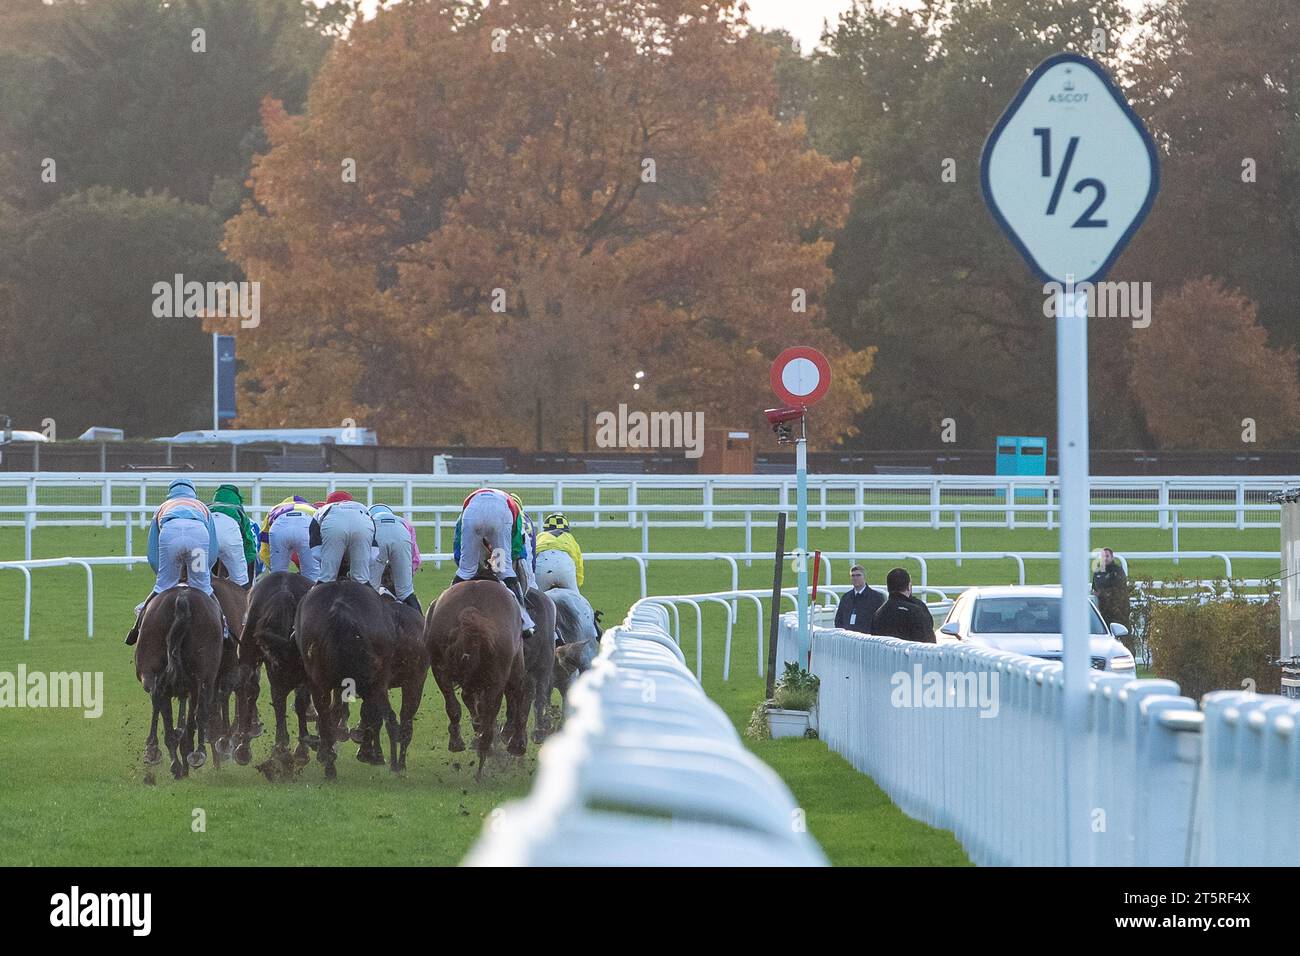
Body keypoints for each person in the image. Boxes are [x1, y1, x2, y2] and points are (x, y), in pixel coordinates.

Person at [124, 477, 222, 646]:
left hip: (170, 534)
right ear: (193, 493)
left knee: (162, 587)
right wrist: (204, 571)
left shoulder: (162, 507)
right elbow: (213, 547)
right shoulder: (202, 507)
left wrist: (163, 574)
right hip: (198, 535)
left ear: (170, 493)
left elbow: (152, 551)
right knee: (204, 588)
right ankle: (224, 626)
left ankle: (137, 626)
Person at [452, 487, 535, 638]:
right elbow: (517, 548)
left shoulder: (465, 511)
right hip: (501, 514)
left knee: (466, 571)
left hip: (471, 514)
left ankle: (446, 613)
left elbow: (458, 547)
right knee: (504, 571)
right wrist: (500, 565)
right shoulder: (514, 508)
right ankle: (525, 621)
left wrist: (466, 566)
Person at [369, 502, 421, 613]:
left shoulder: (367, 520)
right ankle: (423, 625)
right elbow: (415, 559)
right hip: (401, 534)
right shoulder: (404, 523)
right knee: (406, 592)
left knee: (369, 591)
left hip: (377, 533)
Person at [315, 490, 375, 584]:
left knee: (326, 578)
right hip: (362, 524)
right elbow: (373, 549)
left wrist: (327, 559)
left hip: (334, 526)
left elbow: (315, 546)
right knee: (362, 579)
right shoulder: (362, 507)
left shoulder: (324, 509)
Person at [259, 495, 321, 580]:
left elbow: (264, 540)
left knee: (278, 577)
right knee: (312, 575)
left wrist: (272, 566)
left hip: (279, 528)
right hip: (306, 527)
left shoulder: (275, 508)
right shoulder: (313, 508)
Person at [209, 483, 257, 589]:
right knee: (241, 582)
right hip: (230, 541)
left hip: (207, 540)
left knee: (199, 580)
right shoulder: (238, 510)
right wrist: (249, 560)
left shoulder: (207, 508)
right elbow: (248, 540)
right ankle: (245, 599)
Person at [870, 568, 935, 643]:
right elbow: (929, 642)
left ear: (888, 587)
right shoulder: (916, 611)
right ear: (908, 587)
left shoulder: (878, 614)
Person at [536, 512, 584, 588]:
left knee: (535, 598)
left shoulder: (540, 536)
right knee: (575, 597)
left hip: (542, 566)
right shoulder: (570, 538)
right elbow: (578, 564)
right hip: (565, 567)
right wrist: (577, 584)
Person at [834, 564, 884, 634]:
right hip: (848, 638)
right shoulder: (846, 597)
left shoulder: (876, 597)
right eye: (853, 576)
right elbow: (838, 619)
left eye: (858, 575)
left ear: (864, 577)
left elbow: (880, 621)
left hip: (867, 639)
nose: (855, 578)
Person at [1091, 547, 1131, 633]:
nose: (1105, 558)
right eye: (1103, 556)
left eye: (1107, 556)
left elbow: (1120, 590)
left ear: (1112, 557)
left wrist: (1102, 594)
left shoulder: (1117, 571)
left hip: (1116, 610)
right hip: (1101, 609)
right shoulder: (1097, 572)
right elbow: (1094, 589)